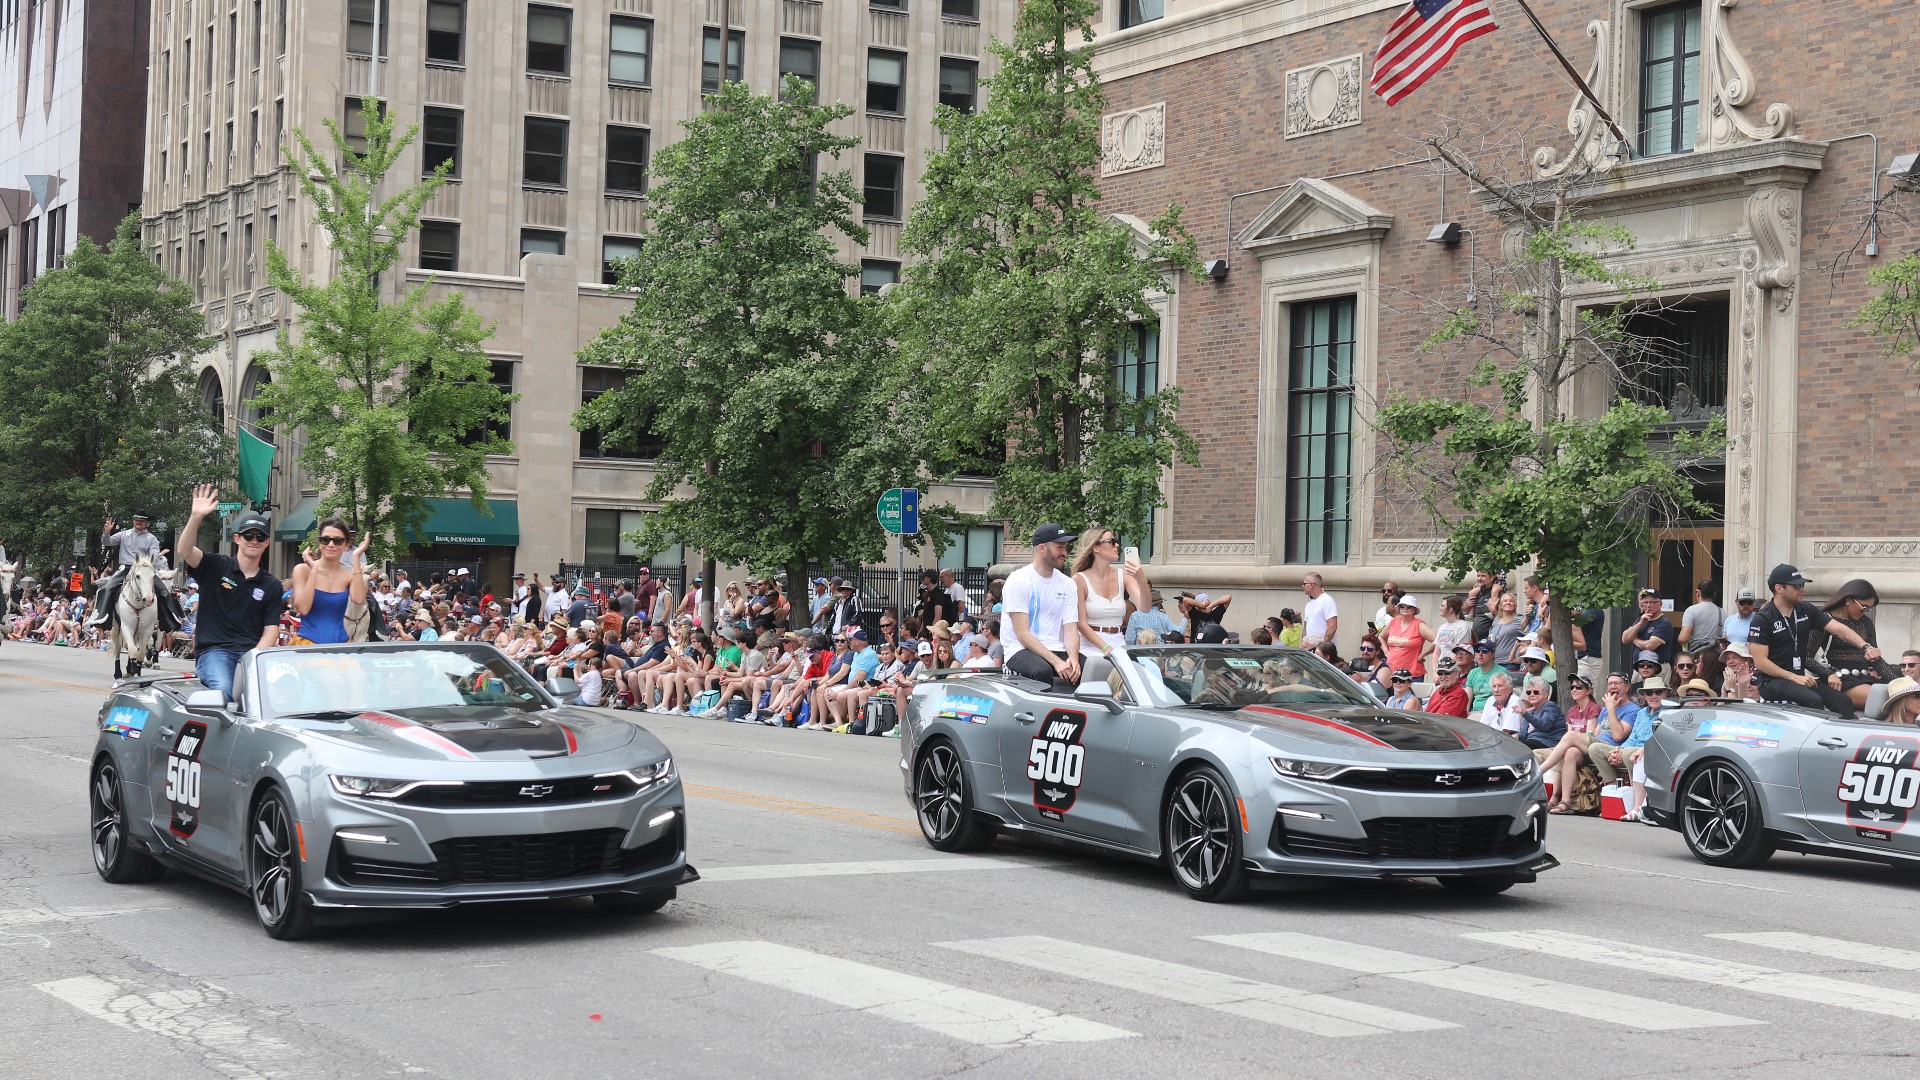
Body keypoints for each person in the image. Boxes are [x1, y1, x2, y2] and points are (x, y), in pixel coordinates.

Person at [177, 485, 284, 695]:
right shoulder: (216, 565)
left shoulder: (271, 584)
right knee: (224, 691)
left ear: (267, 543)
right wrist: (196, 517)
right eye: (248, 536)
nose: (254, 541)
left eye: (260, 537)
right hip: (215, 652)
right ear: (237, 539)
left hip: (251, 654)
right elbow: (184, 550)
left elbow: (271, 630)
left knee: (276, 697)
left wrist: (253, 658)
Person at [1749, 563, 1877, 719]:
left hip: (1800, 678)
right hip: (1773, 681)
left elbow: (1839, 630)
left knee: (1842, 701)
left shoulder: (1805, 609)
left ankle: (1846, 739)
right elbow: (1760, 662)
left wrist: (1865, 646)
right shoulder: (1762, 618)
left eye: (1802, 585)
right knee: (1812, 700)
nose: (1802, 589)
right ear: (1779, 588)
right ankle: (1816, 741)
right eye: (1796, 586)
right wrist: (1794, 677)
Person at [1001, 523, 1082, 685]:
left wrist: (1073, 657)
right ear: (1042, 548)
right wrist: (1056, 662)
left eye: (1065, 548)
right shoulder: (1019, 580)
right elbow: (1022, 635)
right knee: (1042, 671)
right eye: (1060, 548)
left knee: (1092, 669)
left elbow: (1071, 628)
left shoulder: (1068, 584)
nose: (1064, 553)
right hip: (1020, 649)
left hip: (1057, 648)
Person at [1812, 578, 1898, 711]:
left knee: (1903, 695)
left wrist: (1897, 683)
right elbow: (1806, 657)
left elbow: (1874, 659)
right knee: (1886, 698)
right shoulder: (1825, 620)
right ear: (1849, 600)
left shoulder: (1866, 623)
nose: (1865, 612)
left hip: (1864, 678)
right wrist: (1828, 674)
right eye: (1864, 607)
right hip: (1839, 680)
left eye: (1869, 609)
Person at [1071, 526, 1150, 660]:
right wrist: (1106, 648)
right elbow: (1081, 623)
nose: (1117, 545)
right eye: (1112, 541)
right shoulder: (1079, 580)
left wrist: (1142, 580)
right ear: (1096, 547)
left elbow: (1145, 607)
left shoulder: (1124, 576)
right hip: (1090, 647)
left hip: (1118, 642)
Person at [288, 518, 371, 644]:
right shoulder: (302, 570)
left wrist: (356, 556)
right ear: (320, 543)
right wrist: (314, 571)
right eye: (325, 540)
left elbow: (359, 599)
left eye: (337, 541)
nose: (331, 545)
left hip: (340, 646)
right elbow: (303, 609)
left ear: (346, 545)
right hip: (307, 645)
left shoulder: (348, 575)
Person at [86, 509, 172, 631]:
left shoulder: (151, 538)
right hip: (125, 568)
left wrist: (153, 559)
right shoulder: (124, 534)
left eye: (142, 520)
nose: (139, 522)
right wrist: (106, 533)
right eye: (137, 519)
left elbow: (154, 555)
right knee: (106, 588)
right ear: (133, 521)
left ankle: (168, 621)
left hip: (144, 569)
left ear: (146, 522)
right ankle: (103, 618)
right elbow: (107, 542)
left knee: (163, 591)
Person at [1621, 588, 1676, 679]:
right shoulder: (1640, 620)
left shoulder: (1664, 622)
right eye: (1645, 602)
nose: (1648, 606)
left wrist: (1634, 639)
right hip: (1639, 667)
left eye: (1652, 602)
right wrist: (1641, 623)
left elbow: (1649, 646)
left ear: (1660, 604)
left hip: (1658, 668)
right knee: (1637, 692)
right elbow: (1625, 639)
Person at [1382, 595, 1435, 678]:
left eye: (1409, 607)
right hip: (1391, 673)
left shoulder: (1419, 624)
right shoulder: (1393, 622)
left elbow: (1437, 640)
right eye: (1402, 606)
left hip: (1412, 675)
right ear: (1398, 608)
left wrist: (1422, 655)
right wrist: (1386, 651)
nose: (1405, 608)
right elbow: (1381, 637)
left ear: (1414, 610)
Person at [1514, 676, 1567, 749]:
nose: (1531, 695)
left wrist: (1524, 713)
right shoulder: (1531, 711)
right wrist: (1517, 736)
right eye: (1529, 692)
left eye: (1536, 692)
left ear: (1546, 694)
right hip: (1532, 742)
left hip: (1547, 743)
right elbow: (1524, 732)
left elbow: (1544, 726)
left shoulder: (1551, 706)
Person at [1678, 579, 1724, 655]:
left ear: (1697, 592)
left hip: (1698, 657)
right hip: (1716, 659)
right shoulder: (1723, 612)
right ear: (1714, 594)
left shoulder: (1691, 611)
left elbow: (1683, 639)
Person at [1300, 572, 1338, 649]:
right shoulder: (1309, 605)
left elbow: (1332, 626)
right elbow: (1305, 627)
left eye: (1304, 583)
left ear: (1312, 585)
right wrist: (1303, 644)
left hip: (1324, 651)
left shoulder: (1327, 601)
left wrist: (1322, 648)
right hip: (1310, 650)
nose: (1302, 586)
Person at [1465, 640, 1501, 712]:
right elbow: (1467, 701)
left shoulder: (1501, 673)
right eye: (1477, 650)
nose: (1480, 654)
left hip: (1493, 712)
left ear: (1493, 654)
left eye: (1485, 650)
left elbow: (1503, 701)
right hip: (1474, 713)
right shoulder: (1472, 672)